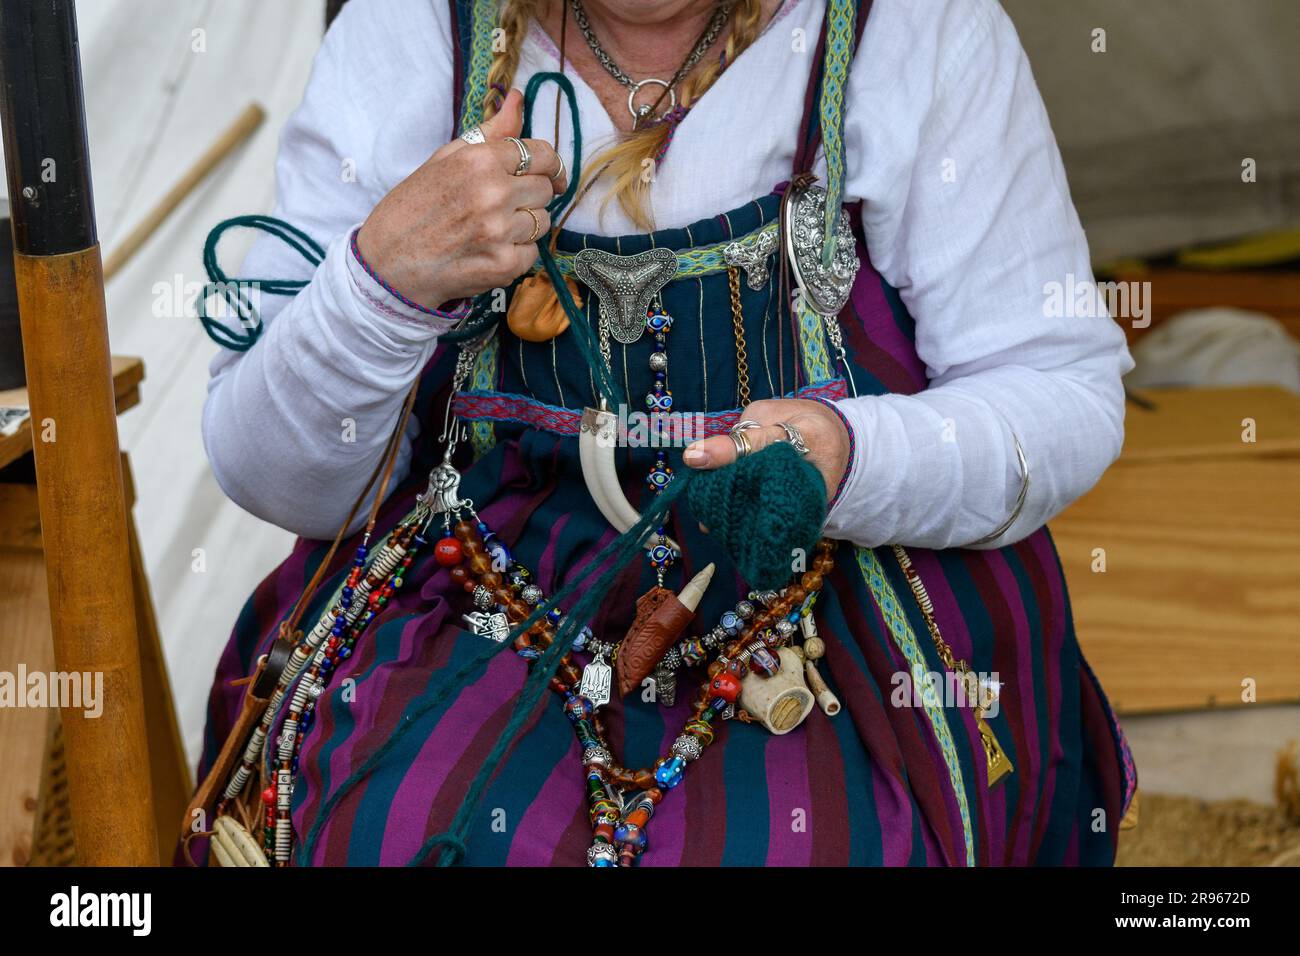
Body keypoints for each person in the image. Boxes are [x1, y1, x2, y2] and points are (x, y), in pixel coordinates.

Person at [195, 0, 1137, 867]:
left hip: (822, 587)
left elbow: (1057, 389)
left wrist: (850, 457)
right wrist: (381, 284)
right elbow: (281, 480)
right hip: (480, 582)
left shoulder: (911, 27)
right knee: (397, 828)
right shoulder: (416, 30)